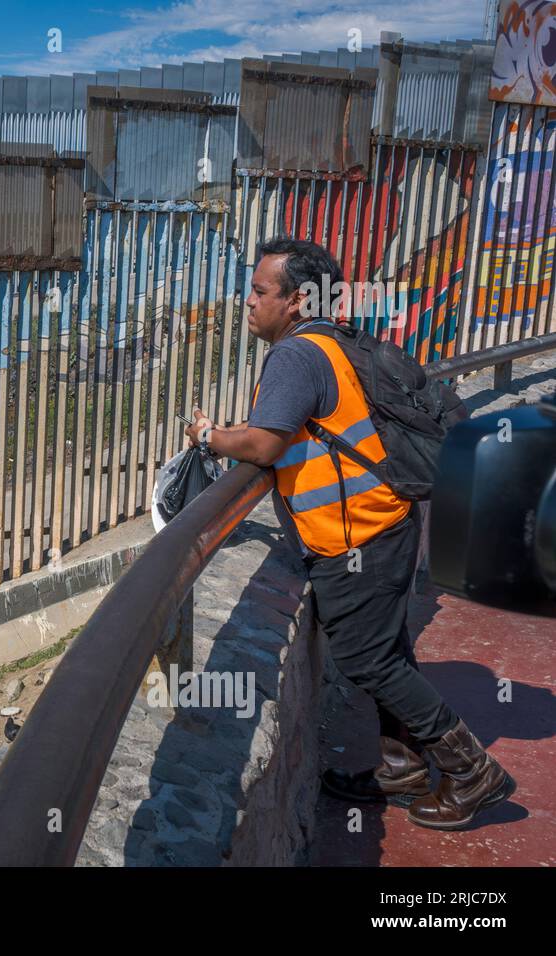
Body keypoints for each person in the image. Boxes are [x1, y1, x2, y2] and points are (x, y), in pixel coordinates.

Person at [184, 237, 515, 830]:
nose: (248, 302)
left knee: (369, 662)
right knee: (389, 653)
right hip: (385, 525)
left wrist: (210, 435)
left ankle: (472, 770)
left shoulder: (293, 356)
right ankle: (402, 771)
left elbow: (263, 443)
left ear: (296, 301)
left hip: (354, 538)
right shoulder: (333, 340)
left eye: (260, 292)